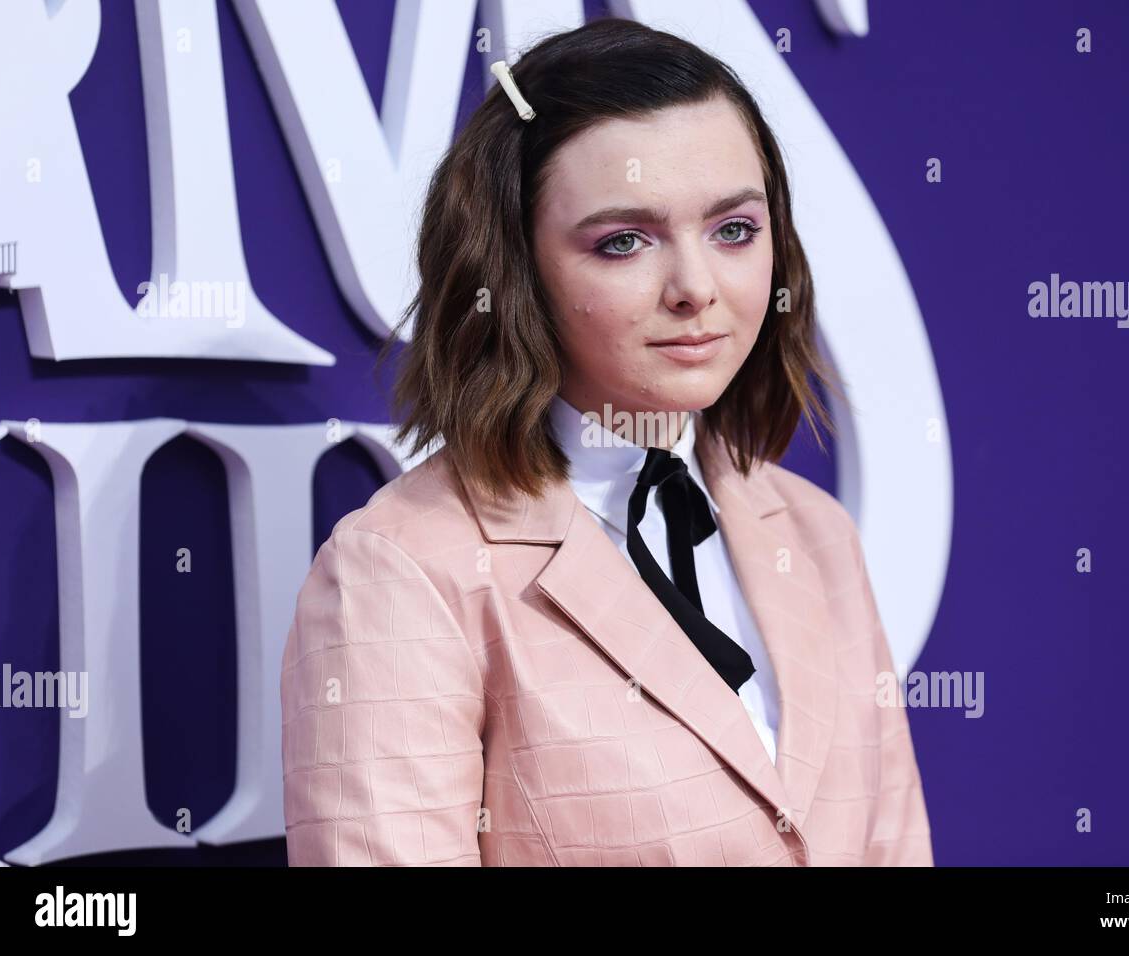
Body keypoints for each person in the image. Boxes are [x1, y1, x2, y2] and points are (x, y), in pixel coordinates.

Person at [280, 17, 932, 867]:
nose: (696, 288)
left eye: (734, 229)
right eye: (624, 241)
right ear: (513, 270)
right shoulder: (401, 571)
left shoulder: (815, 534)